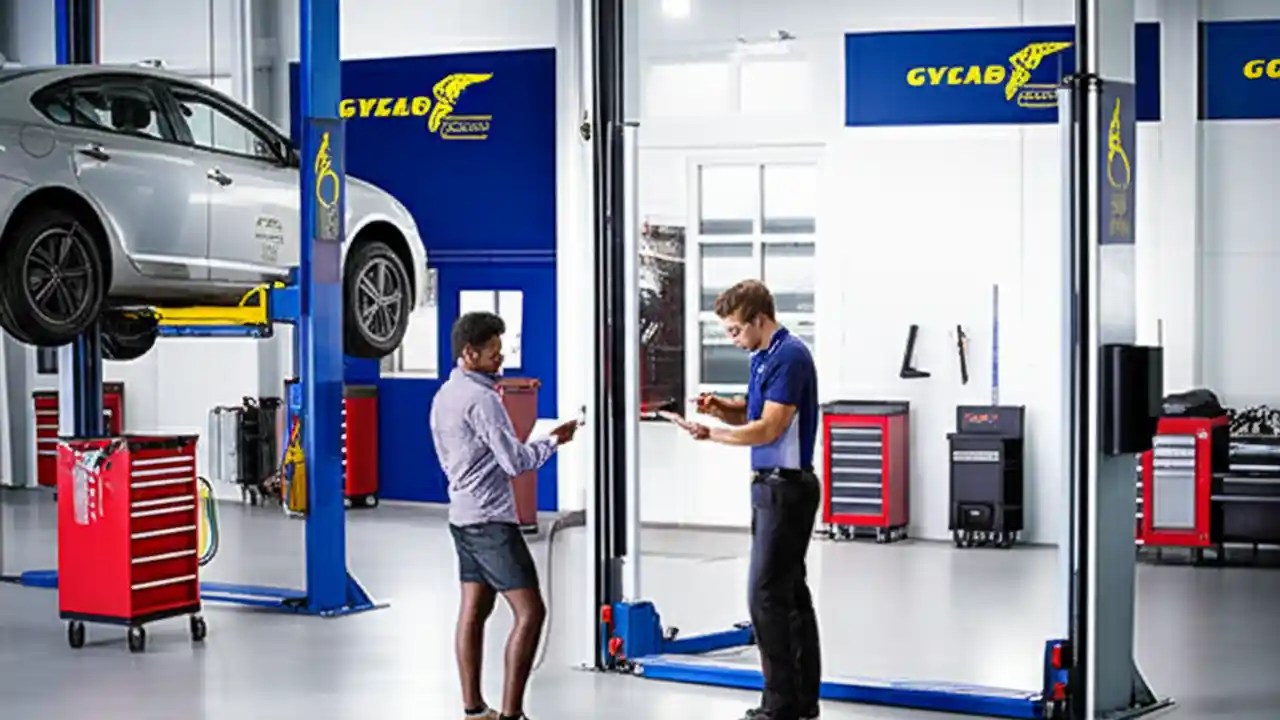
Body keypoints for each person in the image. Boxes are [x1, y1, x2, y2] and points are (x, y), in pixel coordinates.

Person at [429, 311, 580, 720]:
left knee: (474, 610)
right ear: (469, 353)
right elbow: (515, 462)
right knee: (531, 611)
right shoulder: (482, 400)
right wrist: (553, 440)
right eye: (494, 353)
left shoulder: (445, 394)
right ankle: (512, 715)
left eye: (502, 350)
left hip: (461, 515)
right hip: (491, 520)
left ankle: (474, 709)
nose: (501, 359)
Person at [682, 280, 822, 720]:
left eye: (735, 331)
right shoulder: (763, 357)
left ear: (760, 320)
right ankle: (801, 701)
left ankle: (779, 704)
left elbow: (770, 429)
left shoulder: (790, 356)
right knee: (789, 594)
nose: (732, 339)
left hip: (787, 488)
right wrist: (722, 409)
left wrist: (712, 435)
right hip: (771, 486)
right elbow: (755, 413)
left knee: (764, 595)